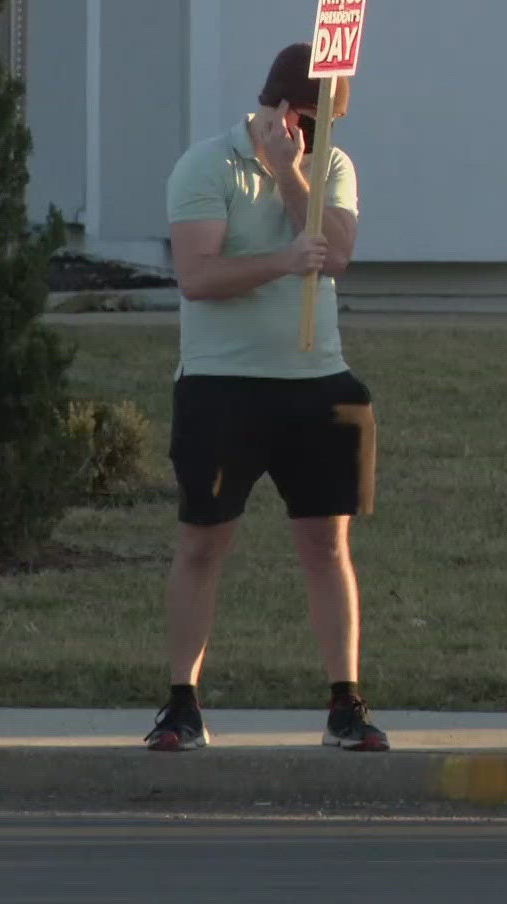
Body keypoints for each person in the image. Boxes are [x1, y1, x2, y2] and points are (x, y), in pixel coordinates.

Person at [146, 42, 385, 753]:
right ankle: (182, 701)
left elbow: (336, 252)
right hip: (224, 384)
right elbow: (197, 275)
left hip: (317, 381)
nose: (324, 137)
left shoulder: (329, 164)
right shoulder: (205, 165)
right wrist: (282, 259)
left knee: (327, 544)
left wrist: (291, 174)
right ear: (283, 109)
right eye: (315, 121)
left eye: (335, 125)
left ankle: (346, 702)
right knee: (203, 540)